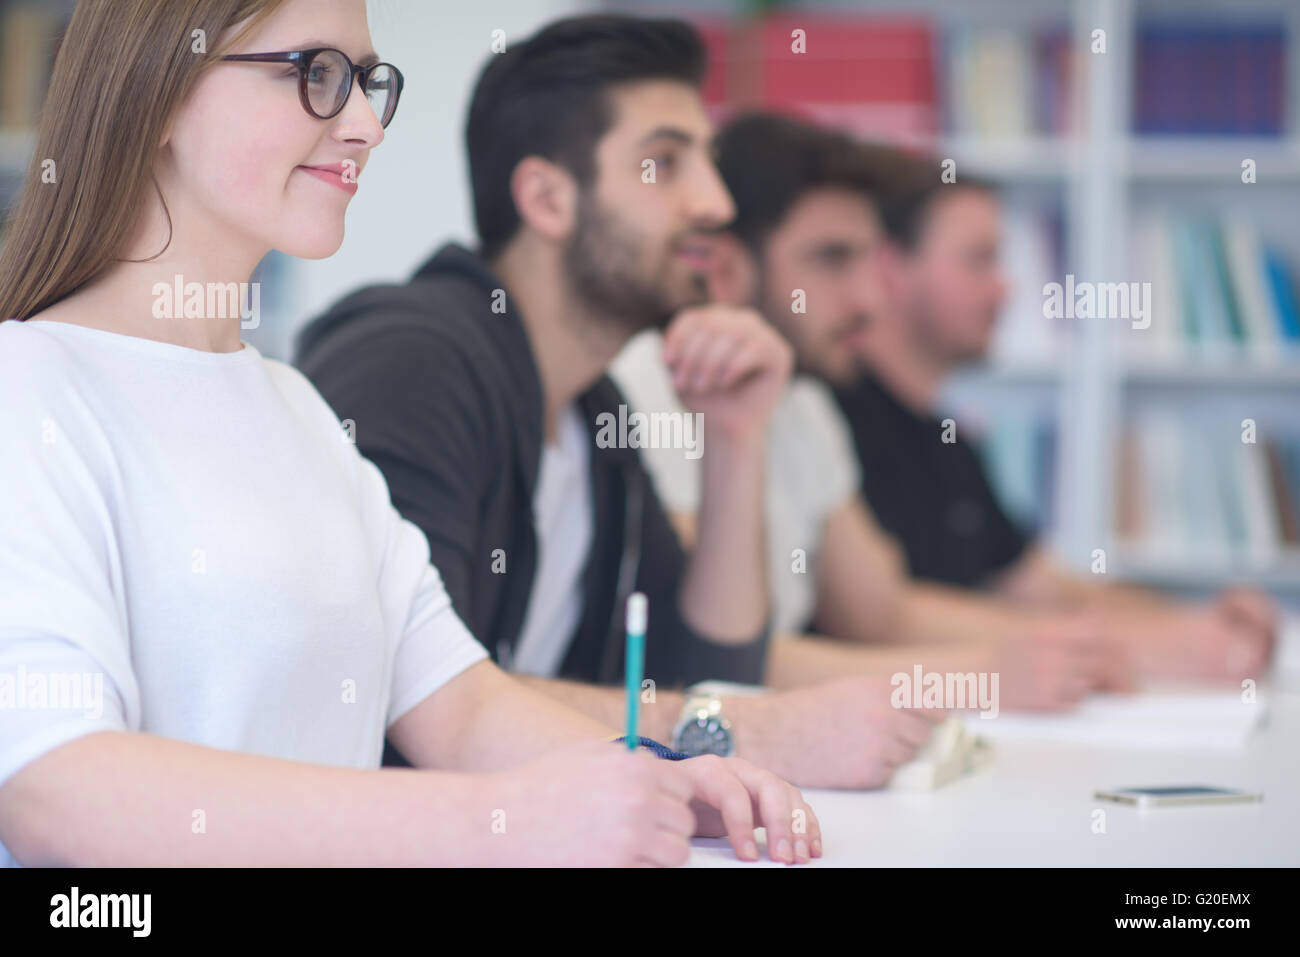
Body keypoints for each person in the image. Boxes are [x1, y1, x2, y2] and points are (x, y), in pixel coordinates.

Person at [0, 0, 819, 868]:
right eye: (316, 74)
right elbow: (54, 785)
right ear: (160, 90)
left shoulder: (299, 410)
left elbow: (460, 703)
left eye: (365, 83)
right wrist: (501, 818)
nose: (364, 126)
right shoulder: (29, 386)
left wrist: (668, 779)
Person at [297, 15, 943, 793]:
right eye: (665, 164)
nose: (714, 203)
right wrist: (738, 730)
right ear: (547, 198)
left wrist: (734, 438)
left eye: (706, 160)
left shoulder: (591, 410)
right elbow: (403, 697)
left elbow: (704, 669)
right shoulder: (414, 360)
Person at [612, 111, 1129, 708]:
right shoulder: (651, 390)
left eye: (867, 260)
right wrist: (978, 676)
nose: (867, 298)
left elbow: (880, 612)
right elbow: (709, 660)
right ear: (725, 268)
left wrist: (1059, 648)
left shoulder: (803, 402)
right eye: (831, 259)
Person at [831, 143, 1277, 682]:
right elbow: (885, 616)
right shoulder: (835, 419)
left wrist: (1193, 621)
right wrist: (1143, 645)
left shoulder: (945, 436)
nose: (1005, 288)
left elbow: (1039, 586)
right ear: (891, 270)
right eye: (979, 260)